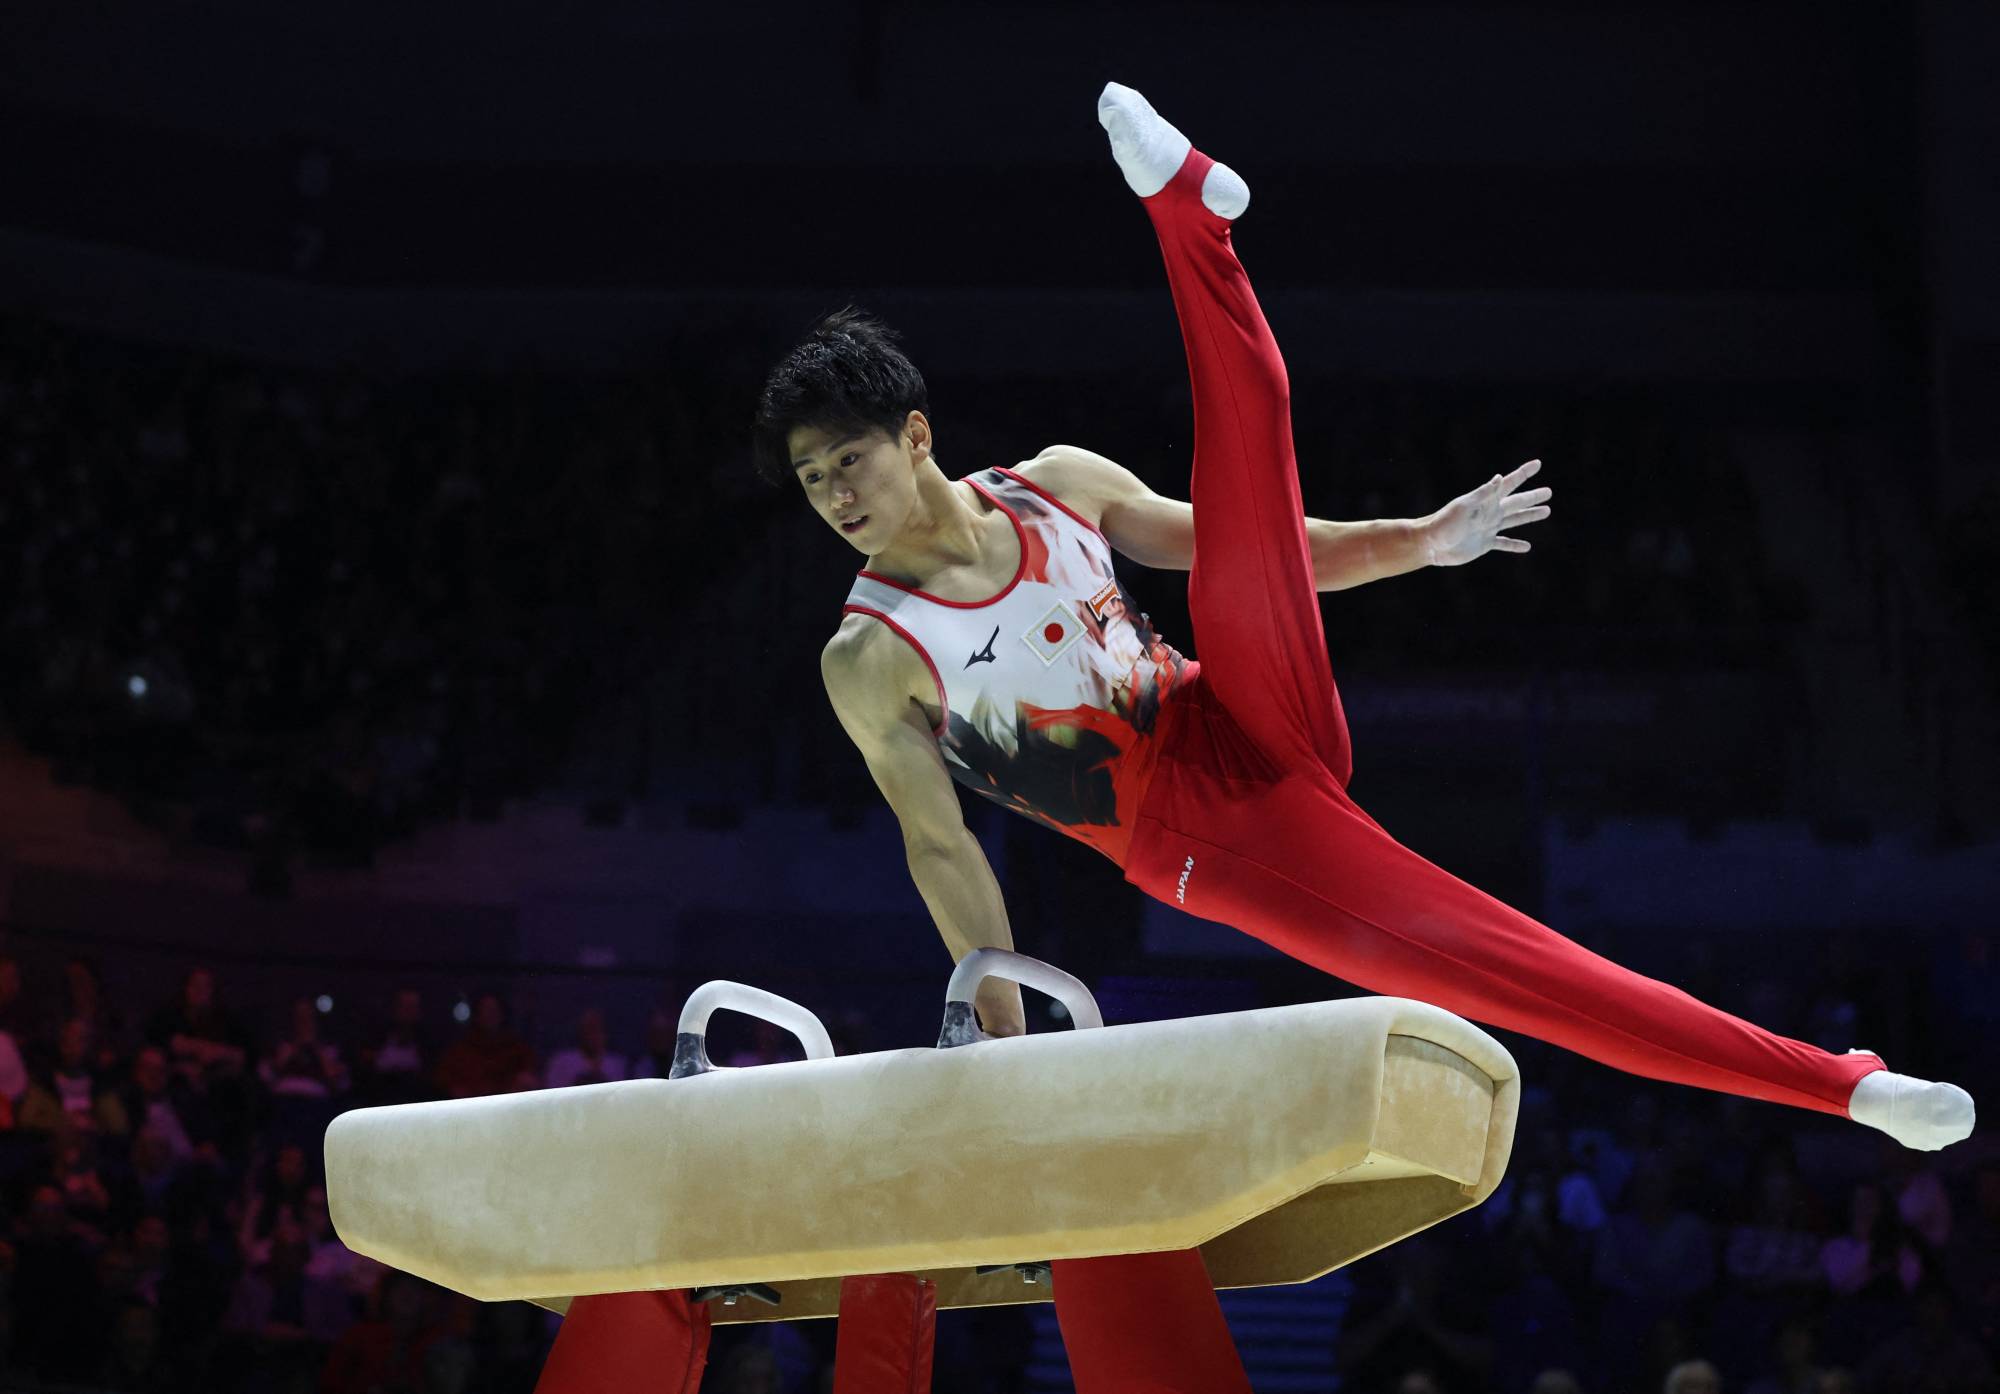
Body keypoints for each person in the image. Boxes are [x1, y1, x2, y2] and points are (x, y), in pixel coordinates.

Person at [761, 85, 1974, 1156]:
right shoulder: (870, 656)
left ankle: (1188, 211)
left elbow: (1254, 544)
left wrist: (1421, 542)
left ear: (915, 434)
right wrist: (1001, 1034)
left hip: (1231, 700)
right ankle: (1842, 1087)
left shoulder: (1055, 483)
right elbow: (942, 849)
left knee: (1248, 456)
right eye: (812, 480)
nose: (836, 497)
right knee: (1522, 971)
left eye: (850, 460)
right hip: (1210, 833)